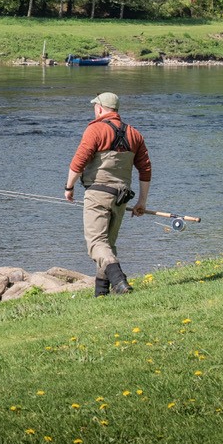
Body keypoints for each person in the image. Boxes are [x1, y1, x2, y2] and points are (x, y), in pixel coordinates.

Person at [63, 92, 152, 296]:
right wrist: (142, 202)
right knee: (108, 245)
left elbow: (79, 162)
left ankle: (120, 282)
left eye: (95, 106)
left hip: (98, 194)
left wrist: (69, 187)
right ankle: (101, 294)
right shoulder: (134, 133)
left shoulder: (95, 130)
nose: (94, 110)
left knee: (96, 244)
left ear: (101, 108)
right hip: (122, 197)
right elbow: (145, 169)